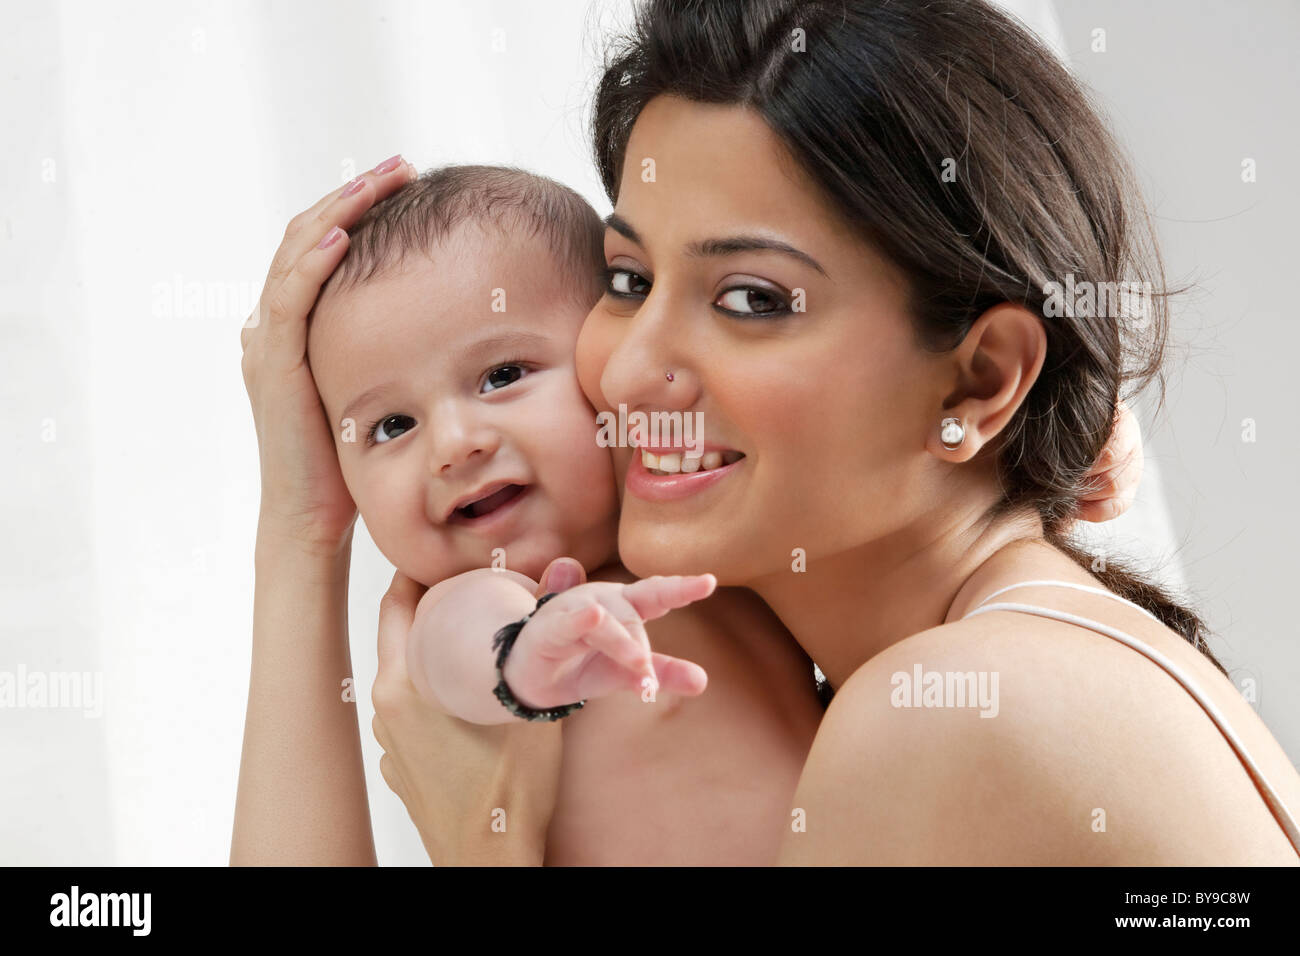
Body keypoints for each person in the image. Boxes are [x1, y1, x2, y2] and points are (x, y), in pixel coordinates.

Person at [380, 0, 1300, 864]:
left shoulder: (939, 717)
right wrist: (298, 542)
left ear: (981, 379)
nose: (624, 371)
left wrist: (481, 843)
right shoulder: (1036, 653)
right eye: (627, 280)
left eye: (751, 299)